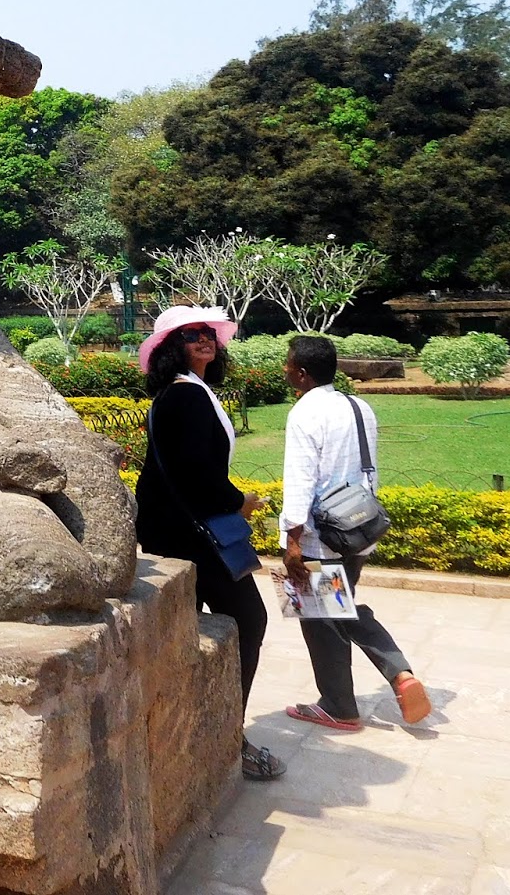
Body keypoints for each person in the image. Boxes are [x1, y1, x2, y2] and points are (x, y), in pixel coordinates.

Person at [134, 305, 284, 781]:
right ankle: (227, 735)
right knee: (248, 620)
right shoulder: (185, 395)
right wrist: (240, 501)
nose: (204, 340)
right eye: (190, 335)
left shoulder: (186, 392)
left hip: (177, 530)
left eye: (208, 333)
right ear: (170, 348)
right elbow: (196, 473)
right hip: (193, 534)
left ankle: (192, 732)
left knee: (188, 632)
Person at [280, 335, 431, 730]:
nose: (284, 369)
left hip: (321, 536)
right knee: (337, 606)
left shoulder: (304, 413)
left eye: (288, 363)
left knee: (323, 617)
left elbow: (300, 480)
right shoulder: (358, 405)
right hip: (360, 528)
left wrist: (292, 541)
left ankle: (342, 705)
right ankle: (395, 676)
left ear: (302, 373)